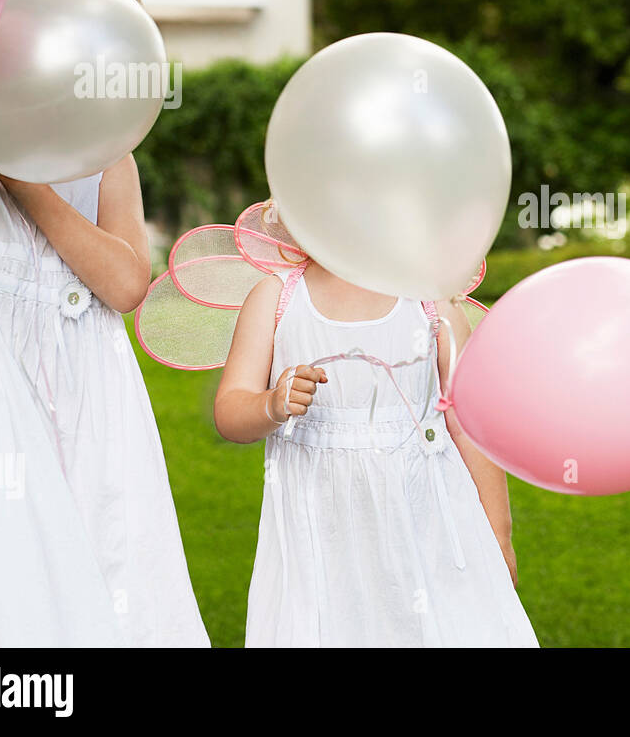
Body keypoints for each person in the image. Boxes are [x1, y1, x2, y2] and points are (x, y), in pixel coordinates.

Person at [0, 0, 208, 646]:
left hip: (87, 409)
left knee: (105, 563)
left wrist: (28, 184)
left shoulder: (106, 154)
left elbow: (124, 284)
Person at [215, 252, 539, 647]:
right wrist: (271, 403)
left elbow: (472, 426)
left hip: (428, 530)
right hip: (320, 538)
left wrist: (498, 536)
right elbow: (231, 410)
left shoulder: (431, 303)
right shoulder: (276, 299)